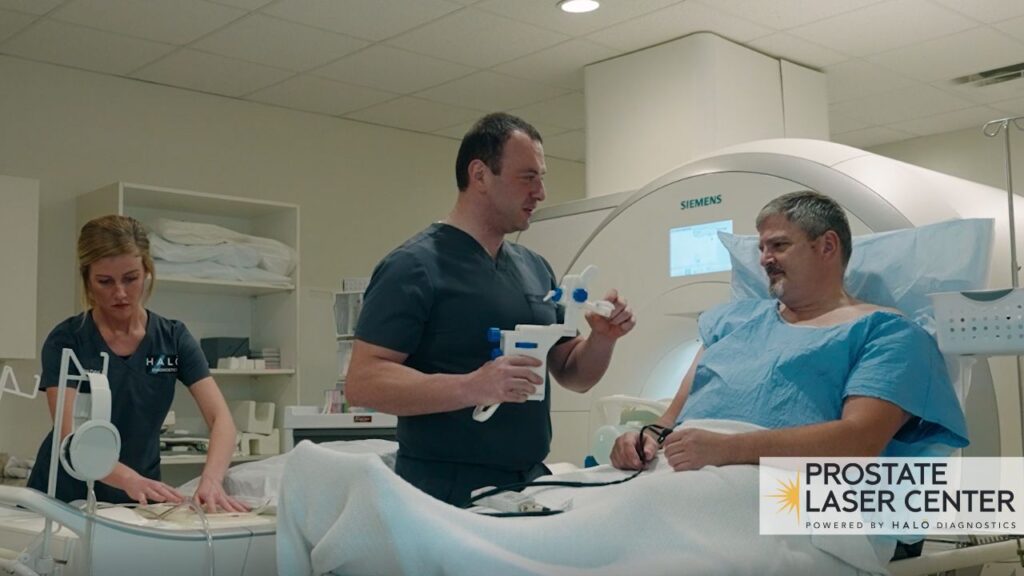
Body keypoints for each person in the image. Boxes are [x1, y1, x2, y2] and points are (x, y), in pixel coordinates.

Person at [346, 112, 636, 506]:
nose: (541, 193)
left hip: (529, 481)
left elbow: (573, 374)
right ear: (480, 175)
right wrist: (472, 387)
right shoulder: (414, 267)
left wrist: (602, 339)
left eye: (541, 178)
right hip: (444, 489)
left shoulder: (535, 268)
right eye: (528, 177)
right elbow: (364, 381)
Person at [610, 191, 967, 471]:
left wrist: (728, 449)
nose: (765, 259)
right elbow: (669, 422)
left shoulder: (887, 333)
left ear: (827, 246)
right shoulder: (730, 323)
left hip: (779, 491)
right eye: (762, 248)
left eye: (779, 245)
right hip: (679, 471)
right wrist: (641, 439)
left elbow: (858, 440)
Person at [27, 215, 247, 512]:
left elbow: (222, 420)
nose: (120, 293)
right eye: (105, 281)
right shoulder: (68, 341)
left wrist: (211, 480)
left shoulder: (172, 338)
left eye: (130, 278)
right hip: (64, 499)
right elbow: (70, 435)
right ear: (87, 280)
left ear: (147, 272)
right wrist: (128, 479)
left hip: (138, 500)